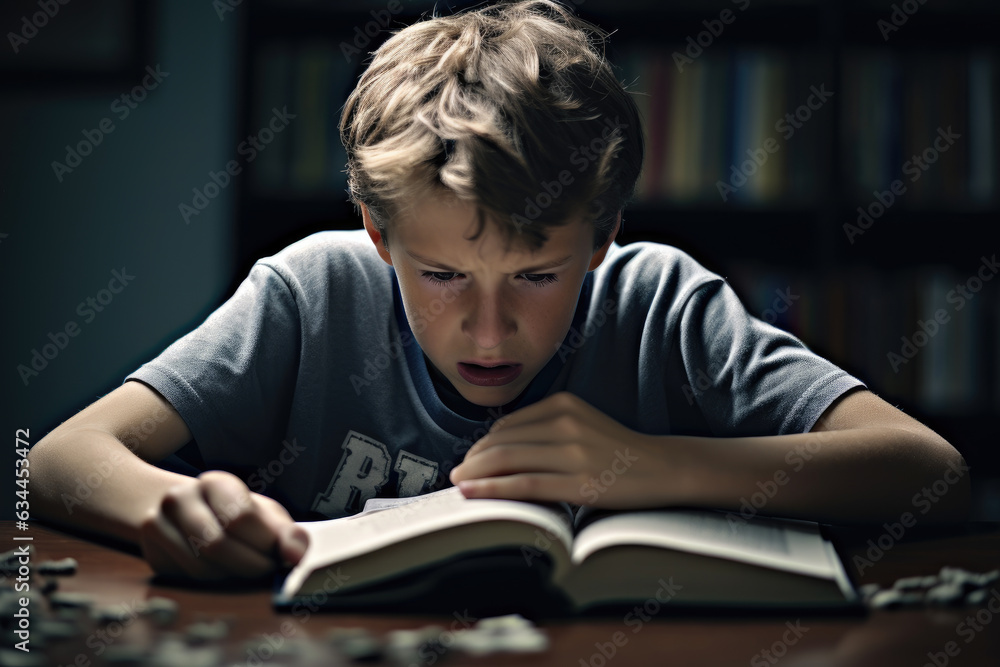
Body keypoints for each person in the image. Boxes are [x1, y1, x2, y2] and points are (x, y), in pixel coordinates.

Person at [28, 0, 969, 582]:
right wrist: (172, 508)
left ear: (603, 236)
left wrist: (646, 464)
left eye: (536, 275)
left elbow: (927, 470)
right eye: (440, 275)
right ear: (380, 234)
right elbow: (58, 460)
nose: (488, 326)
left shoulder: (663, 305)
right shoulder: (312, 291)